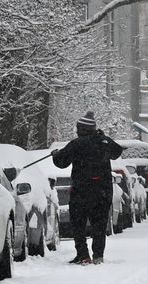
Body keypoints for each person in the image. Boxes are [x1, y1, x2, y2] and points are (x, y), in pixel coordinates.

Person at [52, 112, 123, 264]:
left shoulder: (76, 144)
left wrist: (55, 155)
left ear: (81, 130)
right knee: (100, 224)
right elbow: (117, 151)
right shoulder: (103, 141)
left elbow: (61, 162)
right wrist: (102, 137)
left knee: (78, 224)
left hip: (81, 191)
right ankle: (98, 255)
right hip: (103, 191)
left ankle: (83, 255)